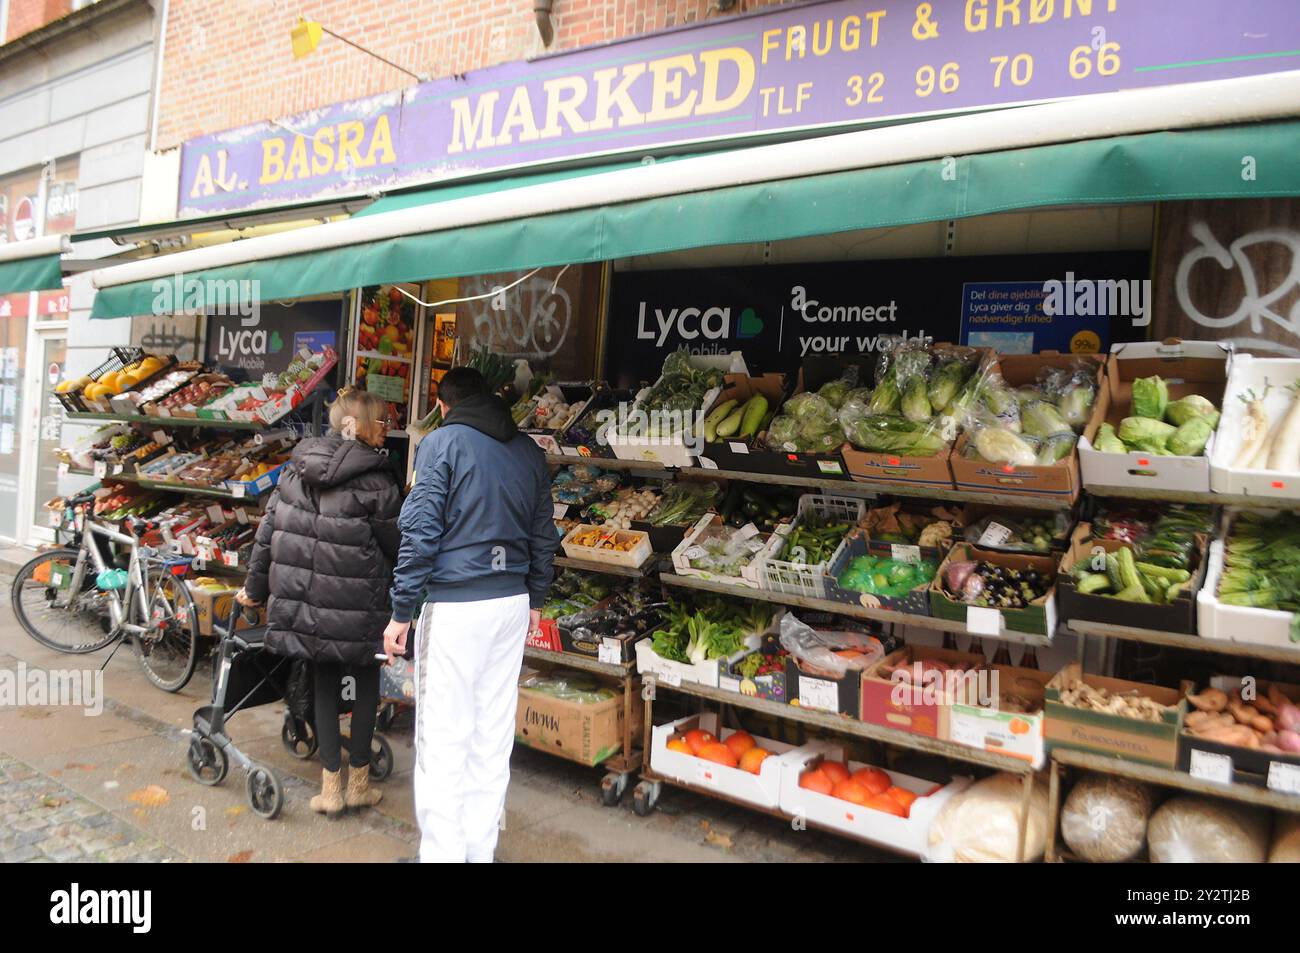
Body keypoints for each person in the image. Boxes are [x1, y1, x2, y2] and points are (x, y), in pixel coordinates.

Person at [385, 366, 558, 863]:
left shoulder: (442, 444)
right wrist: (537, 600)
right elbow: (545, 536)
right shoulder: (528, 452)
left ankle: (441, 856)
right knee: (491, 733)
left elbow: (419, 533)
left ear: (444, 405)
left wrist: (402, 611)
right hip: (511, 605)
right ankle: (479, 853)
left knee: (443, 735)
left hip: (457, 605)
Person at [240, 387, 402, 817]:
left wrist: (254, 590)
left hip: (308, 605)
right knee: (367, 684)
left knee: (324, 683)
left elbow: (267, 535)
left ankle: (330, 790)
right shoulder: (378, 480)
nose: (387, 427)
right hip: (363, 605)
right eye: (382, 420)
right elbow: (397, 545)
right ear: (364, 426)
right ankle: (360, 785)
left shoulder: (296, 470)